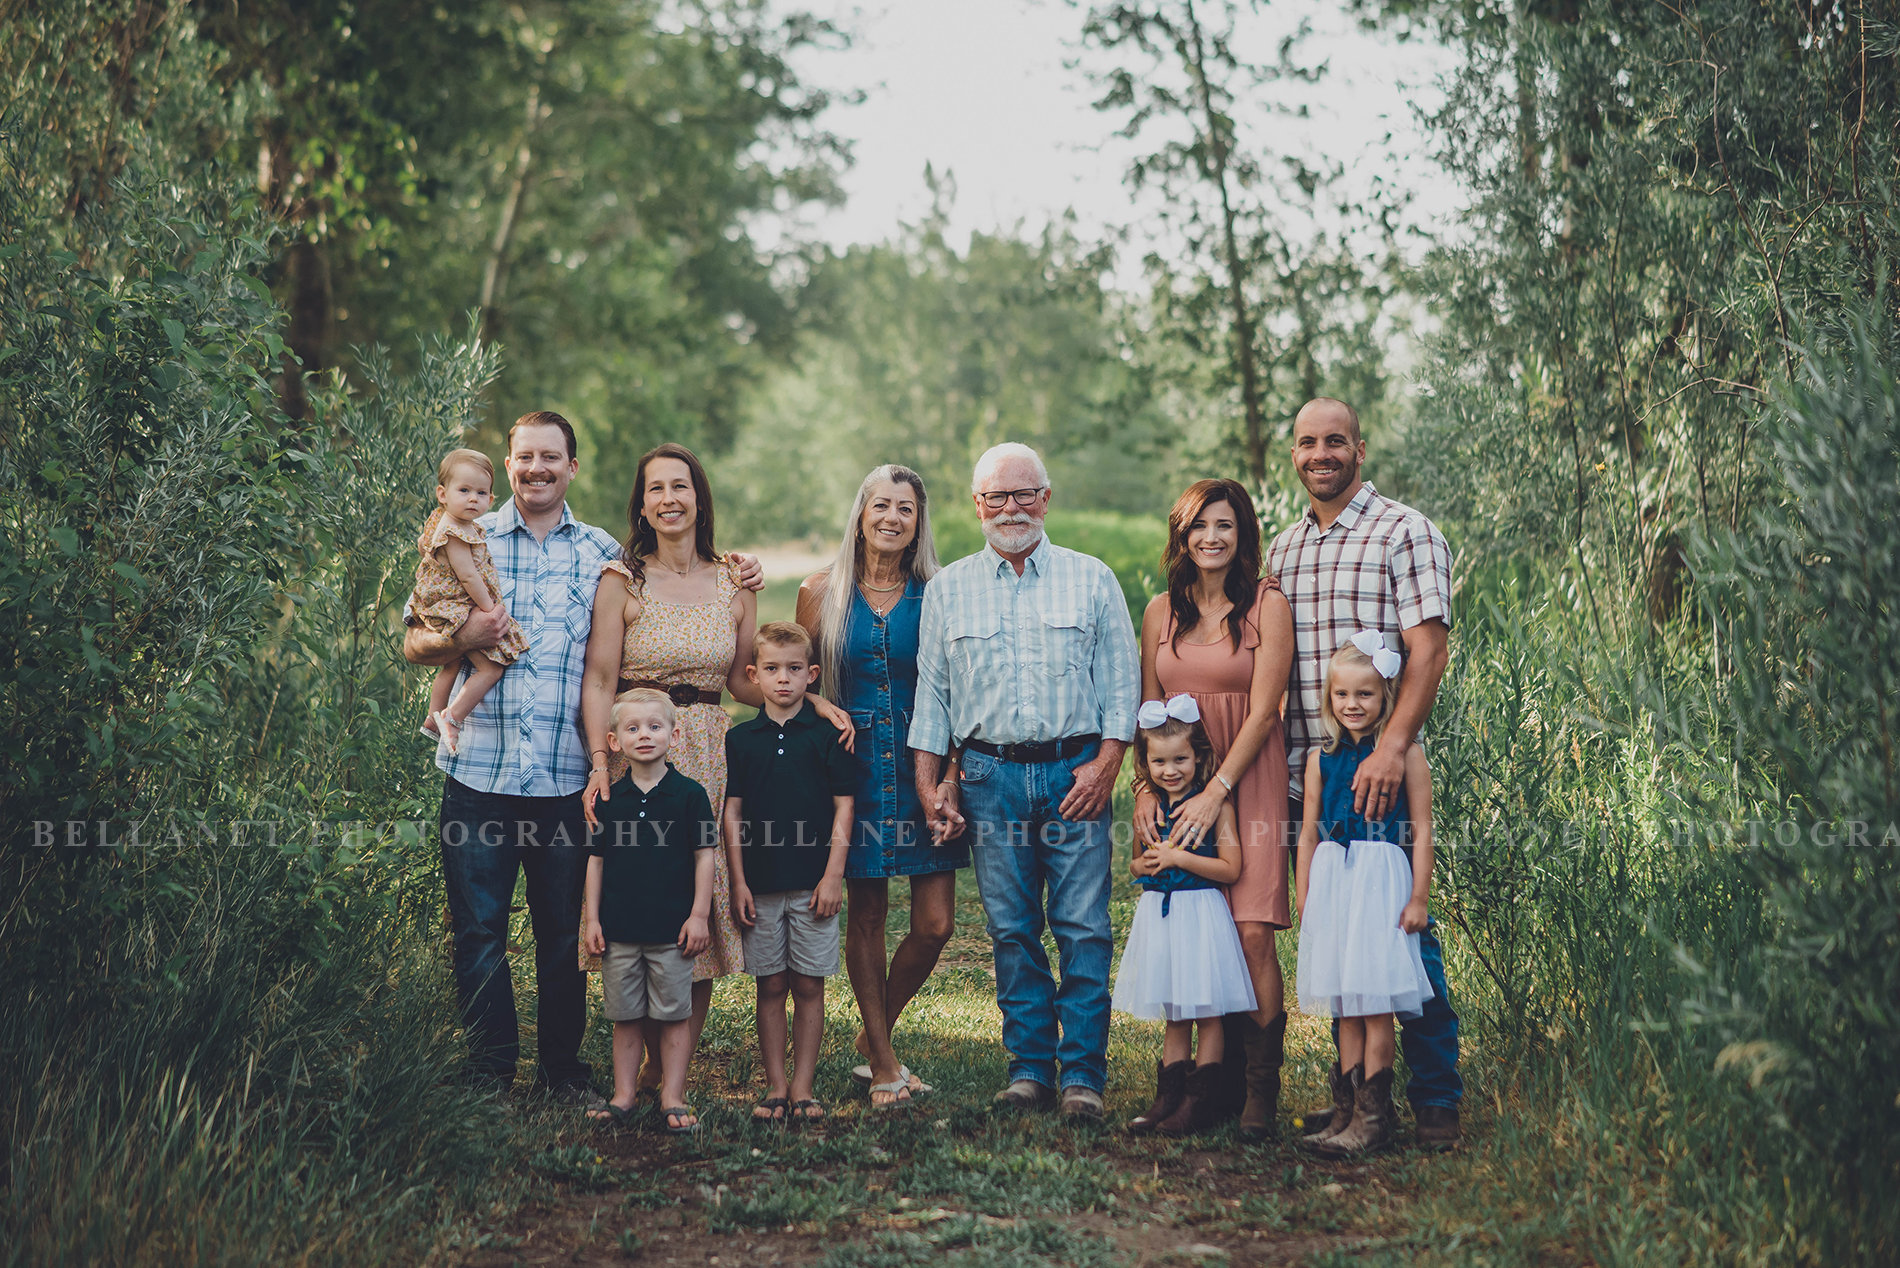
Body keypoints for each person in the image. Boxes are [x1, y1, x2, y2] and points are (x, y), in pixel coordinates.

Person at [404, 414, 763, 1100]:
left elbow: (634, 657)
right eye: (524, 458)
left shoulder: (602, 557)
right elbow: (413, 641)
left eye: (551, 458)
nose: (537, 469)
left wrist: (747, 576)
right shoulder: (462, 539)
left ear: (573, 467)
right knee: (478, 931)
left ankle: (562, 1073)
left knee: (564, 936)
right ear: (508, 465)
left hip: (566, 778)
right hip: (479, 771)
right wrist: (461, 637)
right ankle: (489, 1070)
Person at [579, 443, 848, 1090]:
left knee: (697, 905)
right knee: (639, 898)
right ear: (641, 505)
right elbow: (598, 678)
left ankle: (664, 1070)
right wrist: (597, 763)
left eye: (680, 486)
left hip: (705, 749)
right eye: (655, 489)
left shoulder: (734, 580)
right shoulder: (621, 580)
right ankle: (636, 1050)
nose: (668, 499)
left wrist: (809, 699)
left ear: (699, 497)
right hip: (636, 745)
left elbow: (742, 681)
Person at [910, 442, 1140, 1120]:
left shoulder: (1092, 578)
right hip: (989, 776)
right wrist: (932, 785)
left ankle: (1083, 1078)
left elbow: (1122, 687)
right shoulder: (950, 588)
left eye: (1023, 494)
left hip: (1075, 773)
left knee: (1083, 928)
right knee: (1012, 930)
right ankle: (1029, 1070)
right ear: (976, 505)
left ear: (1047, 499)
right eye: (995, 497)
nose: (1010, 508)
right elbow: (934, 698)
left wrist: (1105, 766)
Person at [1266, 396, 1462, 1150]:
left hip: (1383, 771)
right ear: (1294, 455)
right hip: (1310, 774)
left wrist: (1391, 746)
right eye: (1308, 442)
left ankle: (1435, 1099)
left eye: (1336, 441)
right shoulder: (1284, 551)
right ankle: (1352, 1101)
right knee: (1346, 946)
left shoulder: (1404, 533)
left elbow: (1429, 650)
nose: (1323, 454)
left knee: (1405, 945)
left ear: (1361, 448)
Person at [795, 464, 964, 1110]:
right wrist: (820, 708)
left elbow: (956, 688)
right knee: (865, 913)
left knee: (936, 923)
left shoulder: (940, 593)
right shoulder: (820, 592)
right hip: (853, 768)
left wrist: (949, 773)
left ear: (919, 522)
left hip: (922, 761)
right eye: (881, 506)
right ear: (861, 513)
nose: (893, 518)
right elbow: (794, 678)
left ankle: (873, 1038)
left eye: (906, 509)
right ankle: (886, 1065)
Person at [1134, 478, 1294, 1136]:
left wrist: (1218, 789)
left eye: (1224, 525)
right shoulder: (1158, 614)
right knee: (1191, 933)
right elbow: (1145, 713)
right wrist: (1145, 788)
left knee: (1250, 932)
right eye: (1200, 525)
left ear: (1242, 534)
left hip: (1245, 780)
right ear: (1182, 534)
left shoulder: (1266, 606)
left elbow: (1264, 713)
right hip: (1175, 786)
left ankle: (1258, 1091)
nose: (1211, 538)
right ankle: (1199, 1090)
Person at [1293, 635, 1436, 1156]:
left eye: (1366, 695)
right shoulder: (1319, 759)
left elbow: (1422, 831)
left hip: (1380, 880)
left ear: (1387, 697)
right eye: (1342, 696)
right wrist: (1305, 894)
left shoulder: (1406, 755)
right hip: (1335, 880)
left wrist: (1418, 898)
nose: (1352, 705)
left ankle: (1376, 1117)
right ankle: (1347, 1110)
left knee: (1375, 1002)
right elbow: (1307, 833)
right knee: (1346, 1003)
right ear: (1329, 699)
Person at [724, 622, 856, 1122]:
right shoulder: (741, 740)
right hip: (758, 883)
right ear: (754, 675)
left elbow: (845, 809)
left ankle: (803, 1086)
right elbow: (731, 815)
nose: (784, 680)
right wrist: (738, 881)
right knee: (771, 986)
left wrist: (832, 876)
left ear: (812, 675)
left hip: (812, 884)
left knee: (808, 985)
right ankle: (775, 1085)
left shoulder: (828, 736)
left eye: (795, 669)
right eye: (773, 670)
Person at [1113, 696, 1255, 1136]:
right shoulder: (1149, 810)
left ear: (1199, 757)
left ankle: (1200, 1101)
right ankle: (1167, 1099)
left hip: (1200, 915)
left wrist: (1179, 858)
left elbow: (1231, 868)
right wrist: (1146, 864)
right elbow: (1135, 864)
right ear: (1145, 763)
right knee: (1175, 1010)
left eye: (1180, 759)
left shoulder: (1215, 808)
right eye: (1159, 762)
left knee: (1207, 1011)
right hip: (1160, 917)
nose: (1170, 770)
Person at [581, 690, 719, 1134]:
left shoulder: (690, 795)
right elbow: (596, 861)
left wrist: (699, 916)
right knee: (626, 1017)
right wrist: (593, 919)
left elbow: (704, 857)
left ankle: (672, 1095)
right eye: (633, 728)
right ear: (614, 741)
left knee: (673, 1014)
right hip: (620, 930)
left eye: (655, 727)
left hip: (672, 930)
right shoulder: (609, 799)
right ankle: (623, 1095)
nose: (645, 736)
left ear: (675, 735)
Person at [414, 448, 531, 753]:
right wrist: (489, 610)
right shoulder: (454, 532)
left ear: (491, 500)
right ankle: (452, 717)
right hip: (456, 608)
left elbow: (423, 546)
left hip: (443, 604)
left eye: (481, 493)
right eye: (463, 491)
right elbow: (468, 576)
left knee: (451, 666)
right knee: (491, 668)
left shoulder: (449, 523)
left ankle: (431, 719)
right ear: (443, 493)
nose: (472, 499)